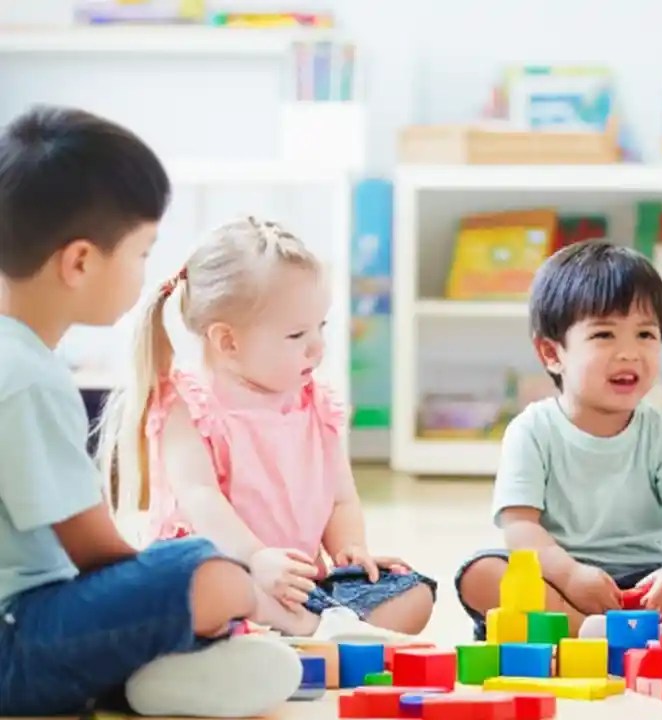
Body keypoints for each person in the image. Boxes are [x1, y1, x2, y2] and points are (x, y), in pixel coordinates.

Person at [0, 105, 302, 716]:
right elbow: (97, 553)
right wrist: (237, 595)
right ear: (80, 261)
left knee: (185, 567)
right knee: (199, 567)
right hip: (19, 640)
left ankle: (150, 673)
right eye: (141, 254)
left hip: (29, 626)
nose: (146, 273)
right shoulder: (27, 377)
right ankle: (167, 661)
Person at [96, 216, 437, 639]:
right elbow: (200, 498)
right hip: (219, 575)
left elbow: (340, 500)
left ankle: (304, 633)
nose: (318, 346)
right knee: (205, 592)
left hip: (297, 589)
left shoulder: (318, 402)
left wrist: (350, 551)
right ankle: (307, 636)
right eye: (296, 334)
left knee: (413, 592)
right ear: (227, 341)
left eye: (321, 327)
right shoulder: (187, 402)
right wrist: (256, 558)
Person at [455, 241, 662, 638]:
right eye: (604, 335)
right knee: (482, 574)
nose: (629, 353)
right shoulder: (531, 430)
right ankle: (587, 633)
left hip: (647, 583)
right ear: (551, 353)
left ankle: (633, 630)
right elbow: (520, 528)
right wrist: (571, 575)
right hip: (560, 580)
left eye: (645, 334)